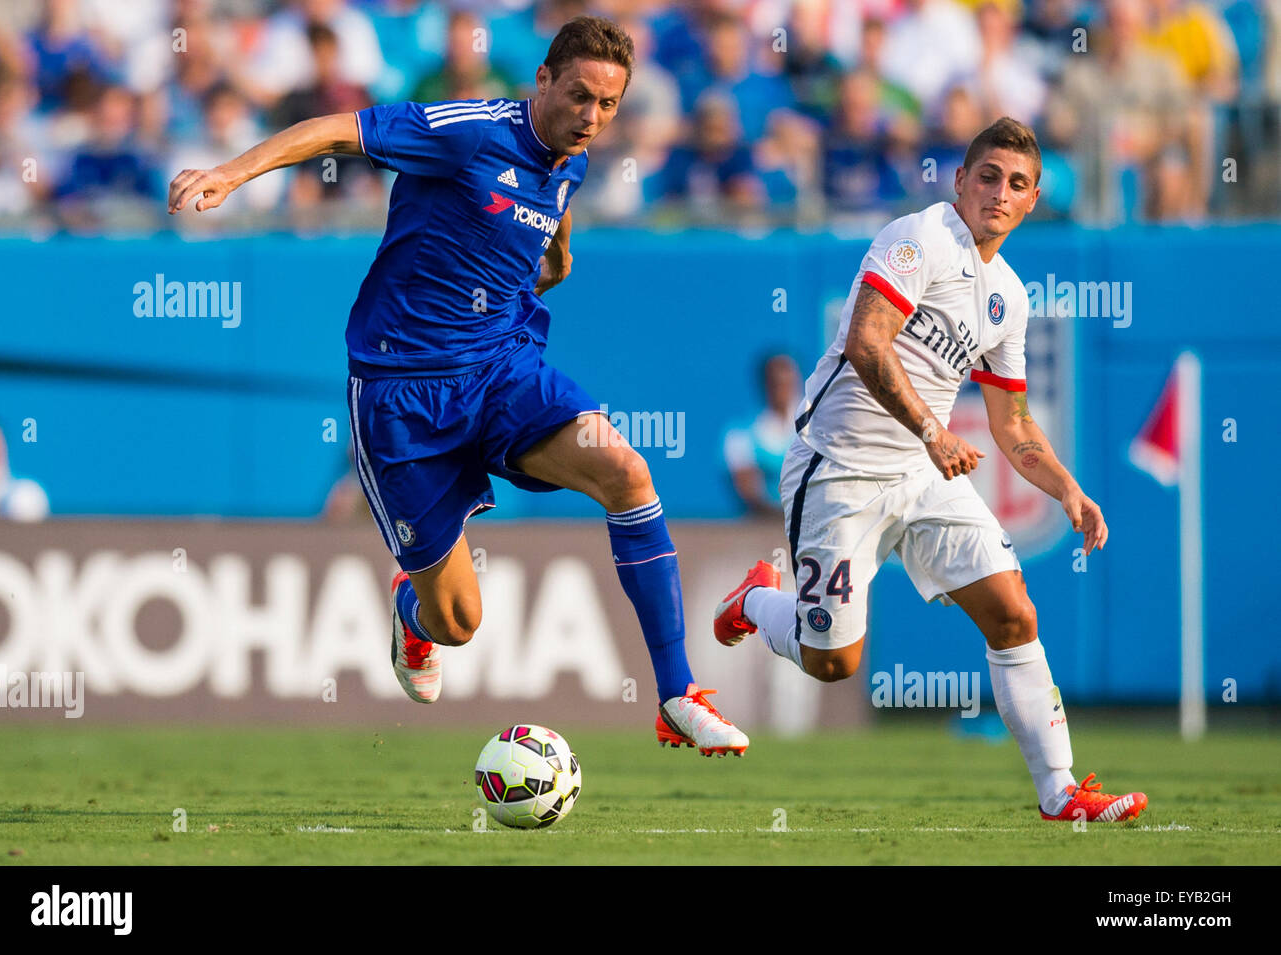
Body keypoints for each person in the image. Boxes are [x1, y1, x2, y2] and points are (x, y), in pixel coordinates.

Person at [167, 16, 748, 757]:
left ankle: (675, 695)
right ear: (542, 79)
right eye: (579, 96)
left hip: (503, 368)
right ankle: (413, 615)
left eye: (608, 104)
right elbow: (338, 131)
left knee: (627, 472)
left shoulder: (571, 159)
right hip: (402, 391)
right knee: (457, 622)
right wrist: (230, 173)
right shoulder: (468, 131)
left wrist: (556, 254)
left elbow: (552, 205)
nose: (592, 117)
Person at [712, 117, 1149, 821]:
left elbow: (1012, 422)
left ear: (1033, 200)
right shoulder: (920, 238)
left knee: (1014, 613)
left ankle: (1060, 791)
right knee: (833, 662)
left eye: (1016, 184)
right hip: (840, 469)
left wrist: (1067, 488)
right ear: (961, 180)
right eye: (988, 176)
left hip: (923, 475)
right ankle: (758, 602)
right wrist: (932, 430)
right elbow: (867, 342)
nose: (999, 193)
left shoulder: (1009, 295)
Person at [723, 353, 799, 518]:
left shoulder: (816, 429)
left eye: (789, 384)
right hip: (763, 527)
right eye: (777, 384)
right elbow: (750, 493)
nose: (783, 391)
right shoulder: (739, 435)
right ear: (765, 385)